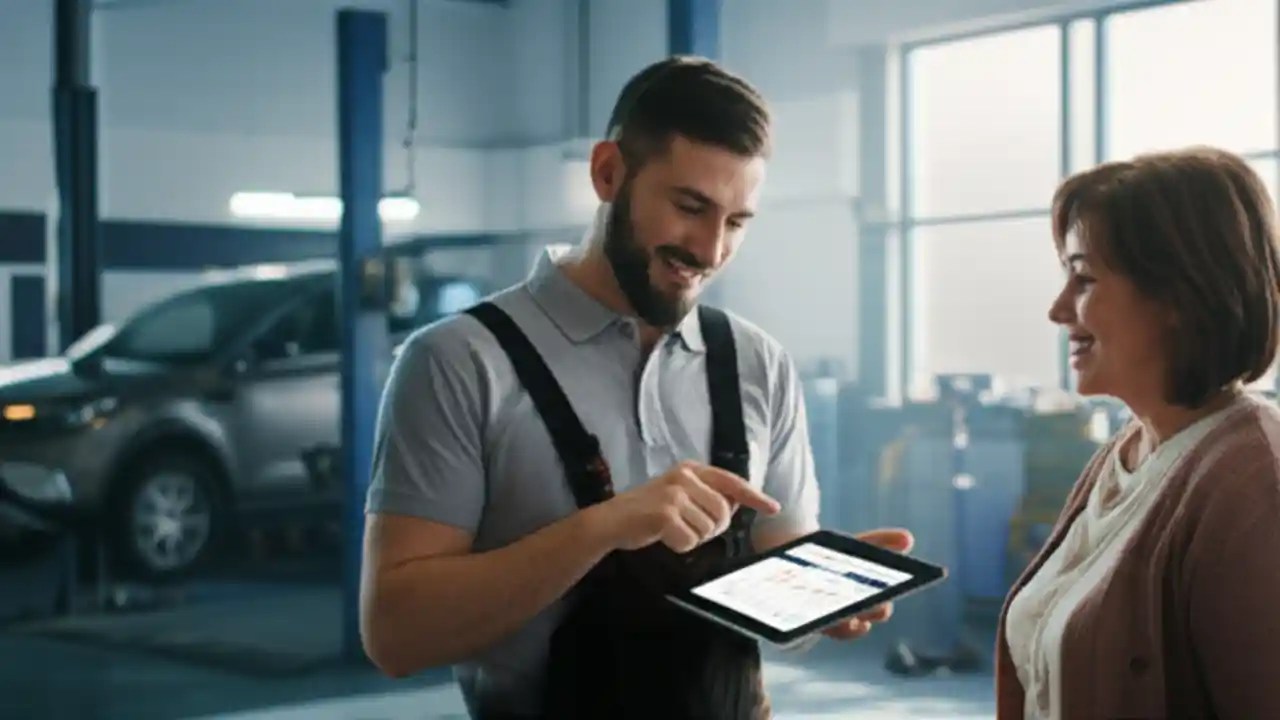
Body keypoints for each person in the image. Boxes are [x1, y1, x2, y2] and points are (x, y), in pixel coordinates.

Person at [358, 55, 913, 720]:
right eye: (689, 207)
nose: (710, 251)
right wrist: (602, 529)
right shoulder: (457, 362)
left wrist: (823, 602)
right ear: (607, 173)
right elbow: (396, 635)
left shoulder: (756, 363)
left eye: (736, 223)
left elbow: (774, 571)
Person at [996, 146, 1280, 719]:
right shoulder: (1126, 455)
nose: (1057, 310)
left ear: (1179, 295)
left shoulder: (1252, 486)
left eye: (1083, 279)